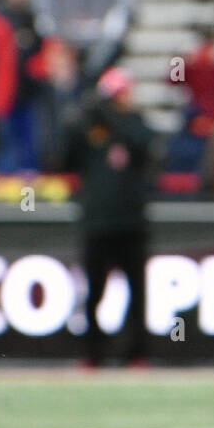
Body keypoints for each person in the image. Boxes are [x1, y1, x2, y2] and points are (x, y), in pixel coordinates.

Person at [55, 67, 158, 368]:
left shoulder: (135, 124)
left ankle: (136, 352)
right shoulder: (88, 128)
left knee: (137, 292)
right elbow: (62, 158)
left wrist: (114, 119)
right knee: (94, 291)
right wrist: (82, 118)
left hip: (131, 222)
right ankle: (92, 351)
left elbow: (146, 146)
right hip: (98, 222)